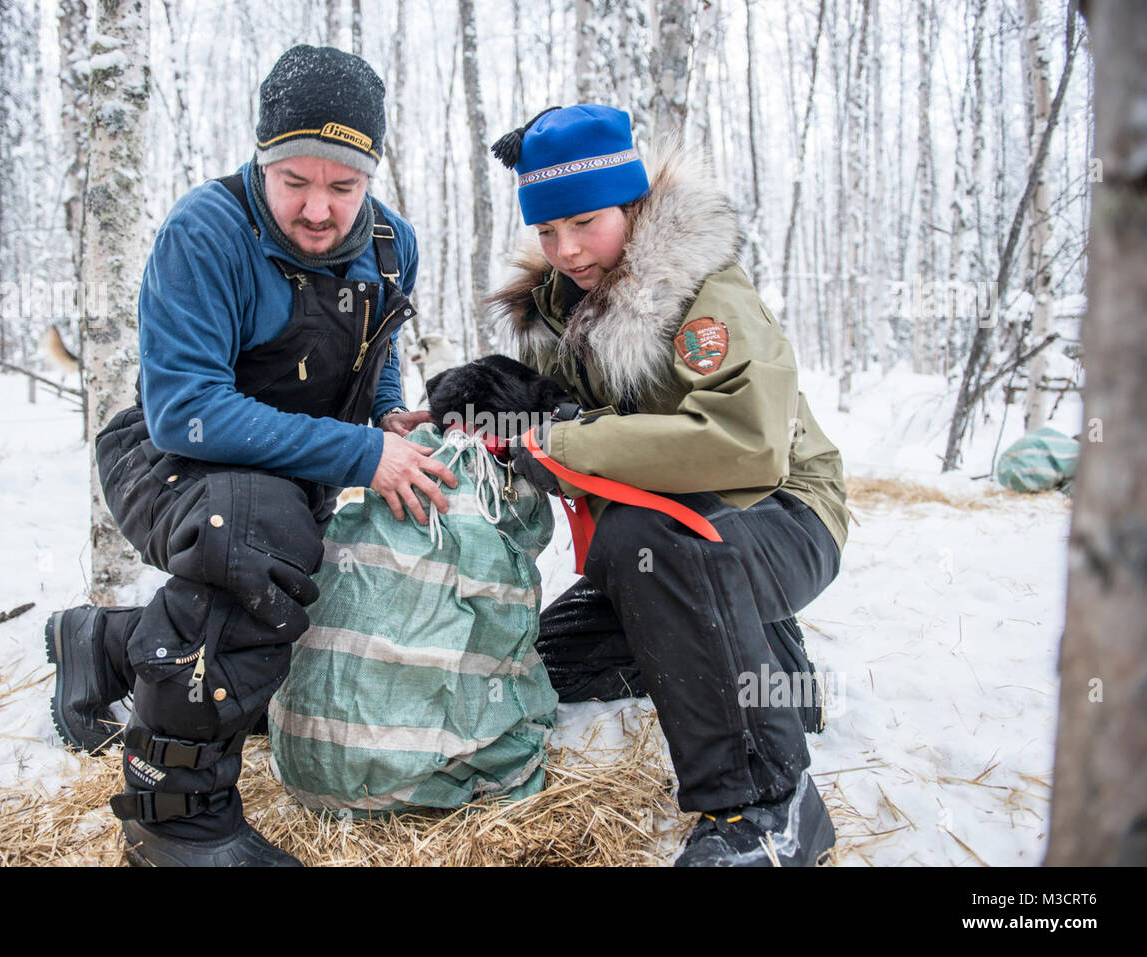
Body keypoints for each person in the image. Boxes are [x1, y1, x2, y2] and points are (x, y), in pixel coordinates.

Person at [43, 45, 456, 867]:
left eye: (343, 185)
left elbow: (378, 357)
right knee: (257, 541)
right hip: (166, 454)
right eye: (294, 180)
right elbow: (188, 411)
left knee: (297, 596)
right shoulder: (205, 232)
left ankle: (106, 646)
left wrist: (387, 421)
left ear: (371, 176)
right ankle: (175, 812)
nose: (317, 208)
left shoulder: (389, 244)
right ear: (261, 160)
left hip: (291, 469)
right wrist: (358, 452)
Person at [490, 105, 848, 866]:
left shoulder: (702, 290)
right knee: (546, 665)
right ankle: (768, 665)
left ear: (630, 204)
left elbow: (747, 445)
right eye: (548, 232)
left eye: (585, 222)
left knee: (646, 536)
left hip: (783, 514)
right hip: (675, 548)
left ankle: (769, 804)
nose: (567, 249)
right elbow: (539, 411)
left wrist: (565, 445)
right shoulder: (560, 312)